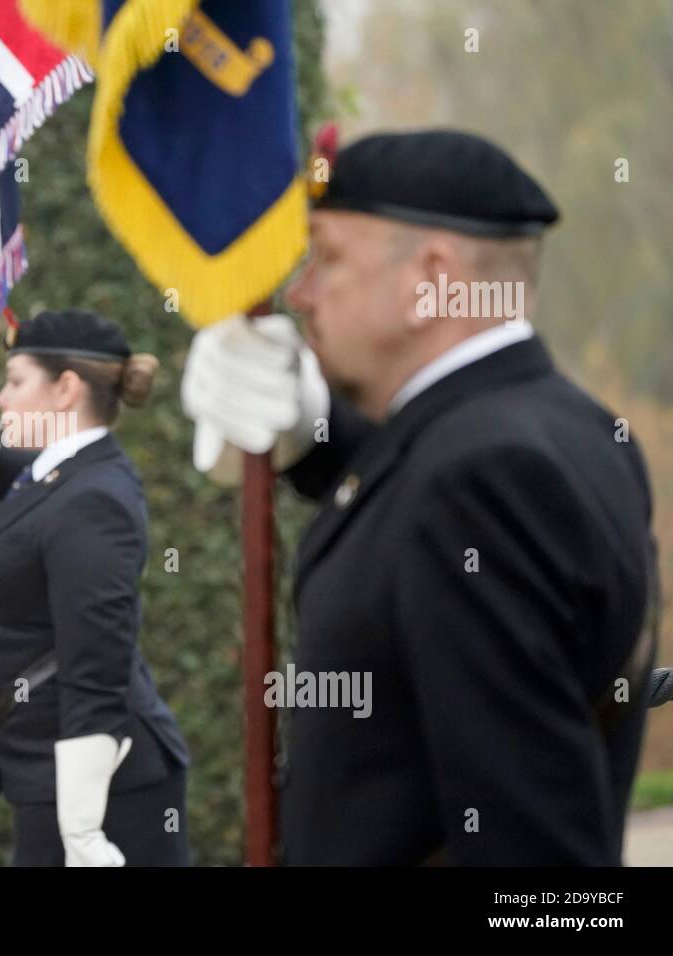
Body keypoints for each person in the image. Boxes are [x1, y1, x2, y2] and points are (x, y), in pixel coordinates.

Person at [182, 129, 658, 865]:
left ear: (430, 278)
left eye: (328, 257)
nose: (302, 292)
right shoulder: (555, 429)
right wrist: (312, 429)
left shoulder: (482, 482)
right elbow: (408, 490)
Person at [0, 309, 191, 866]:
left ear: (66, 388)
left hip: (105, 791)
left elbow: (97, 658)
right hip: (47, 773)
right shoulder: (61, 473)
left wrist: (82, 826)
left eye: (17, 381)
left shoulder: (94, 498)